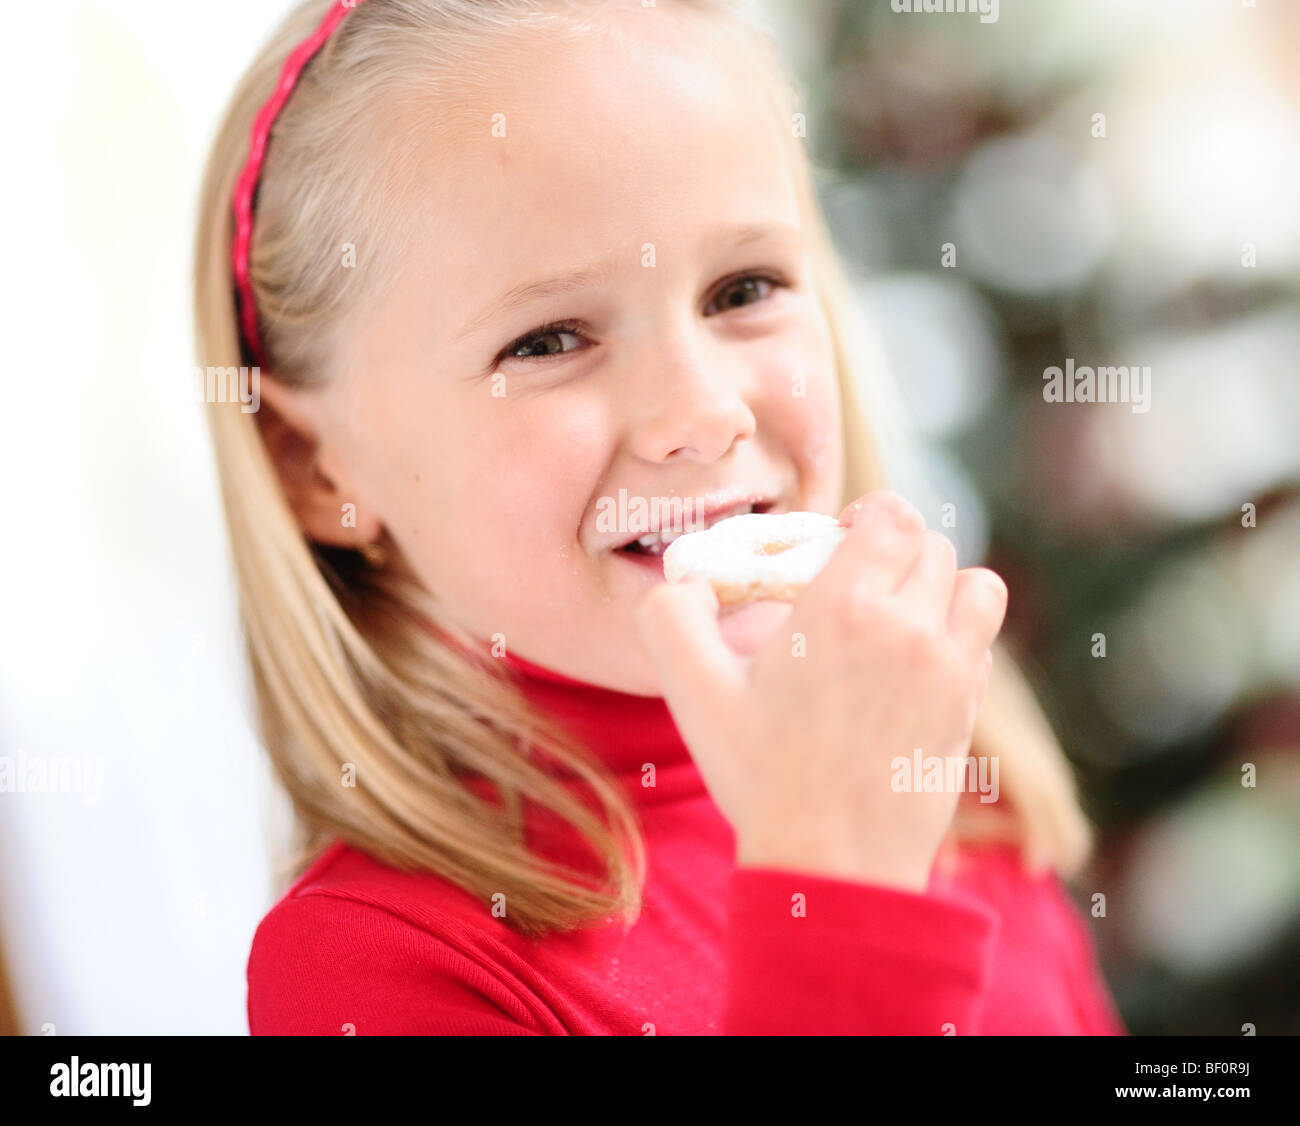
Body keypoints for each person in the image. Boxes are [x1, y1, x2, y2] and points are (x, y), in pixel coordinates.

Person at [193, 0, 1126, 1034]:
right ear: (316, 468)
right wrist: (840, 894)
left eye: (742, 288)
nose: (702, 412)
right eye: (547, 340)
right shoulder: (372, 966)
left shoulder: (942, 773)